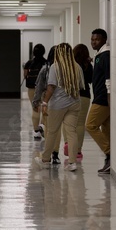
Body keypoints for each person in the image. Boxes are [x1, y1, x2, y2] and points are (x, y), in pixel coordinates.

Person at [38, 43, 84, 172]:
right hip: (74, 103)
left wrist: (45, 102)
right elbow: (80, 86)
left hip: (57, 105)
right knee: (71, 132)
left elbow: (51, 87)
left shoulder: (55, 67)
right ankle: (72, 162)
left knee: (52, 131)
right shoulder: (77, 67)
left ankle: (46, 160)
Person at [86, 29, 111, 174]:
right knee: (105, 128)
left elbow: (108, 76)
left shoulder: (106, 55)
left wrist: (108, 94)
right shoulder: (99, 55)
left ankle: (109, 152)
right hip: (99, 96)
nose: (93, 42)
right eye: (92, 39)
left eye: (96, 39)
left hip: (102, 98)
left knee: (90, 125)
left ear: (104, 40)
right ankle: (109, 160)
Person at [65, 44, 93, 162]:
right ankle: (78, 151)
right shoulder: (88, 66)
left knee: (68, 122)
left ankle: (68, 144)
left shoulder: (70, 65)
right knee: (80, 124)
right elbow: (91, 80)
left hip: (70, 95)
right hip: (85, 95)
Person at [23, 44, 47, 139]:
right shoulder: (46, 62)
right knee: (45, 108)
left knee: (35, 108)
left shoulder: (29, 63)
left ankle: (36, 131)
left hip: (32, 88)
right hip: (44, 89)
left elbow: (25, 76)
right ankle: (43, 125)